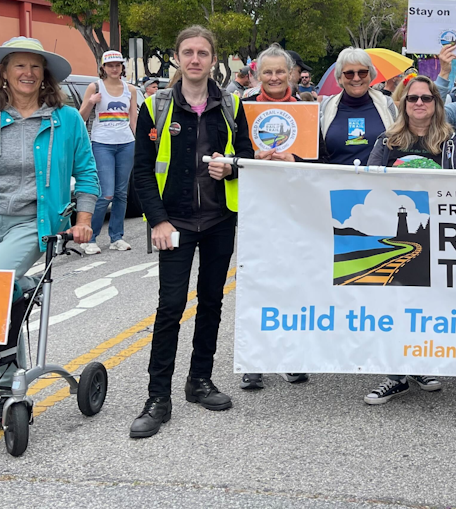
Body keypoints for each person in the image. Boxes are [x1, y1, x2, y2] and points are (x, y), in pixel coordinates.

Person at [0, 36, 99, 429]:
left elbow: (88, 173)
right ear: (3, 73)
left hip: (36, 223)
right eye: (19, 66)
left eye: (35, 66)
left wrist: (83, 219)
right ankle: (11, 394)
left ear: (44, 74)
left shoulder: (66, 119)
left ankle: (20, 285)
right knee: (1, 307)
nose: (28, 73)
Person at [130, 25, 254, 438]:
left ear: (213, 59)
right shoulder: (156, 106)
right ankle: (157, 397)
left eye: (203, 52)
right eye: (188, 52)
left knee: (212, 302)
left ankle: (199, 380)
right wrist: (158, 221)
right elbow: (143, 172)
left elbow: (249, 159)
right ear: (178, 58)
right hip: (176, 222)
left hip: (219, 220)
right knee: (169, 308)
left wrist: (232, 166)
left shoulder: (232, 106)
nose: (195, 59)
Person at [361, 77, 456, 403]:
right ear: (403, 104)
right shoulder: (387, 141)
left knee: (425, 305)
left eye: (426, 98)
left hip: (435, 234)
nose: (419, 103)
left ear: (436, 104)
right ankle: (395, 374)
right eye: (413, 98)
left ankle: (418, 363)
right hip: (394, 230)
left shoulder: (450, 142)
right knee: (395, 302)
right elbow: (370, 183)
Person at [235, 43, 312, 391]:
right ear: (257, 75)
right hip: (257, 206)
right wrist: (253, 155)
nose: (275, 77)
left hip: (296, 207)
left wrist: (298, 162)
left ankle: (290, 355)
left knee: (294, 282)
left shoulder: (309, 109)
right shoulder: (241, 109)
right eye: (268, 72)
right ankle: (254, 360)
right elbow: (233, 152)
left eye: (281, 71)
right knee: (256, 282)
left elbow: (320, 159)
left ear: (292, 74)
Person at [78, 50, 138, 255]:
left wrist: (139, 144)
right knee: (106, 193)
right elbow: (81, 118)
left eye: (118, 65)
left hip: (126, 143)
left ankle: (116, 237)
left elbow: (133, 120)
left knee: (122, 193)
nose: (114, 69)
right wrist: (91, 102)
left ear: (122, 67)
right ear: (103, 67)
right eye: (110, 65)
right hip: (102, 143)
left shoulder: (130, 89)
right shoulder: (94, 87)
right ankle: (90, 237)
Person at [315, 48, 397, 165]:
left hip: (377, 181)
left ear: (370, 75)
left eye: (362, 72)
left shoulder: (388, 105)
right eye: (349, 74)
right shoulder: (325, 108)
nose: (356, 78)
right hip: (334, 181)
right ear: (340, 78)